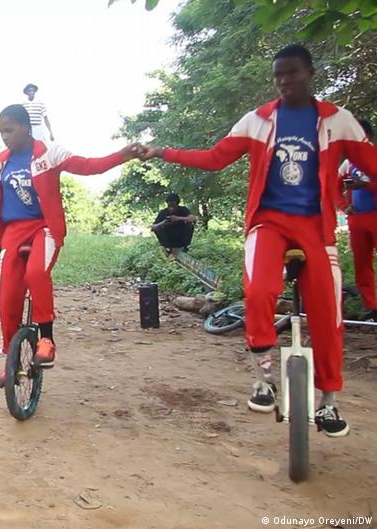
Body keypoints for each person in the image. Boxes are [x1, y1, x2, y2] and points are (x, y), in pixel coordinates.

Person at [140, 44, 377, 437]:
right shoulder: (259, 120)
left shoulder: (339, 121)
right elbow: (215, 157)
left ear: (310, 73)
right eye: (278, 75)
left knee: (328, 311)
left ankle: (329, 402)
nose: (285, 81)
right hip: (267, 224)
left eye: (292, 73)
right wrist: (162, 151)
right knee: (259, 290)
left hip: (315, 229)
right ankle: (263, 377)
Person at [0, 105, 141, 387]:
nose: (4, 137)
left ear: (25, 128)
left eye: (9, 130)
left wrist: (124, 155)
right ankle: (11, 359)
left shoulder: (50, 154)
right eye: (1, 132)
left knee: (35, 274)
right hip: (12, 232)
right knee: (7, 297)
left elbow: (91, 166)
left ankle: (47, 340)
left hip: (45, 228)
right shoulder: (0, 160)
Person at [340, 119, 377, 322]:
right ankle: (372, 307)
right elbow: (333, 187)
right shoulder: (348, 163)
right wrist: (344, 206)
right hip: (357, 218)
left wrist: (367, 184)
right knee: (362, 265)